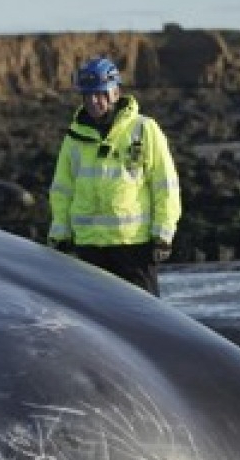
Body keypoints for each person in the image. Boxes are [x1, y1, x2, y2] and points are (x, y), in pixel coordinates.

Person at [47, 56, 181, 296]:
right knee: (96, 325)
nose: (94, 101)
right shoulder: (74, 137)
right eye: (88, 95)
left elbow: (165, 184)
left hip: (133, 248)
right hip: (89, 249)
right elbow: (62, 189)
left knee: (144, 320)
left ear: (116, 92)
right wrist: (60, 233)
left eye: (100, 94)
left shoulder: (143, 129)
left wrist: (163, 234)